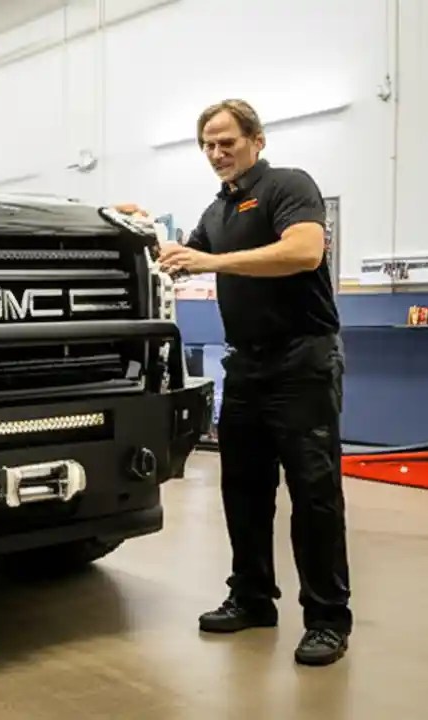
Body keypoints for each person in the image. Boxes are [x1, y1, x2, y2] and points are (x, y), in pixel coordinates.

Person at [116, 98, 352, 666]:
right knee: (243, 492)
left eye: (227, 141)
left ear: (257, 140)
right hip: (246, 366)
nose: (217, 153)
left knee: (314, 496)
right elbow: (180, 255)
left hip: (302, 362)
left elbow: (303, 251)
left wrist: (213, 264)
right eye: (208, 145)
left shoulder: (288, 186)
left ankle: (327, 620)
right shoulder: (218, 212)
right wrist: (137, 225)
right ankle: (252, 598)